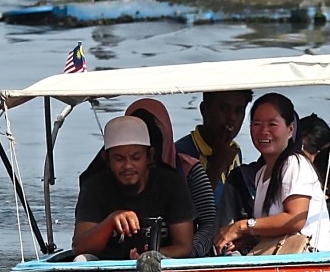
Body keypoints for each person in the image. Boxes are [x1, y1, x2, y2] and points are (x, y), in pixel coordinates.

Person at [213, 94, 330, 256]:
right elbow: (273, 230)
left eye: (272, 124)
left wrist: (241, 226)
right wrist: (246, 239)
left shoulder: (295, 163)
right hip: (281, 259)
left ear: (290, 130)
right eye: (257, 124)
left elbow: (295, 220)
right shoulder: (261, 174)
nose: (264, 131)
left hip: (309, 259)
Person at [72, 115, 195, 260]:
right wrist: (111, 221)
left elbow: (184, 247)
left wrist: (150, 256)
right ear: (106, 159)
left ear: (149, 156)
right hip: (106, 266)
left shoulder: (171, 184)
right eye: (119, 159)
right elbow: (79, 248)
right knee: (81, 260)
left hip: (159, 265)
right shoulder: (94, 187)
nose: (128, 166)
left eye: (136, 157)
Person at [123, 98, 217, 258]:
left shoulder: (189, 171)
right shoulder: (117, 173)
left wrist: (187, 253)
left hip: (182, 259)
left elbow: (208, 225)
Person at [175, 88, 248, 213]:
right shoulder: (180, 154)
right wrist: (217, 167)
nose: (232, 117)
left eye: (238, 110)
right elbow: (186, 212)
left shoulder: (234, 150)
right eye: (223, 108)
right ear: (205, 110)